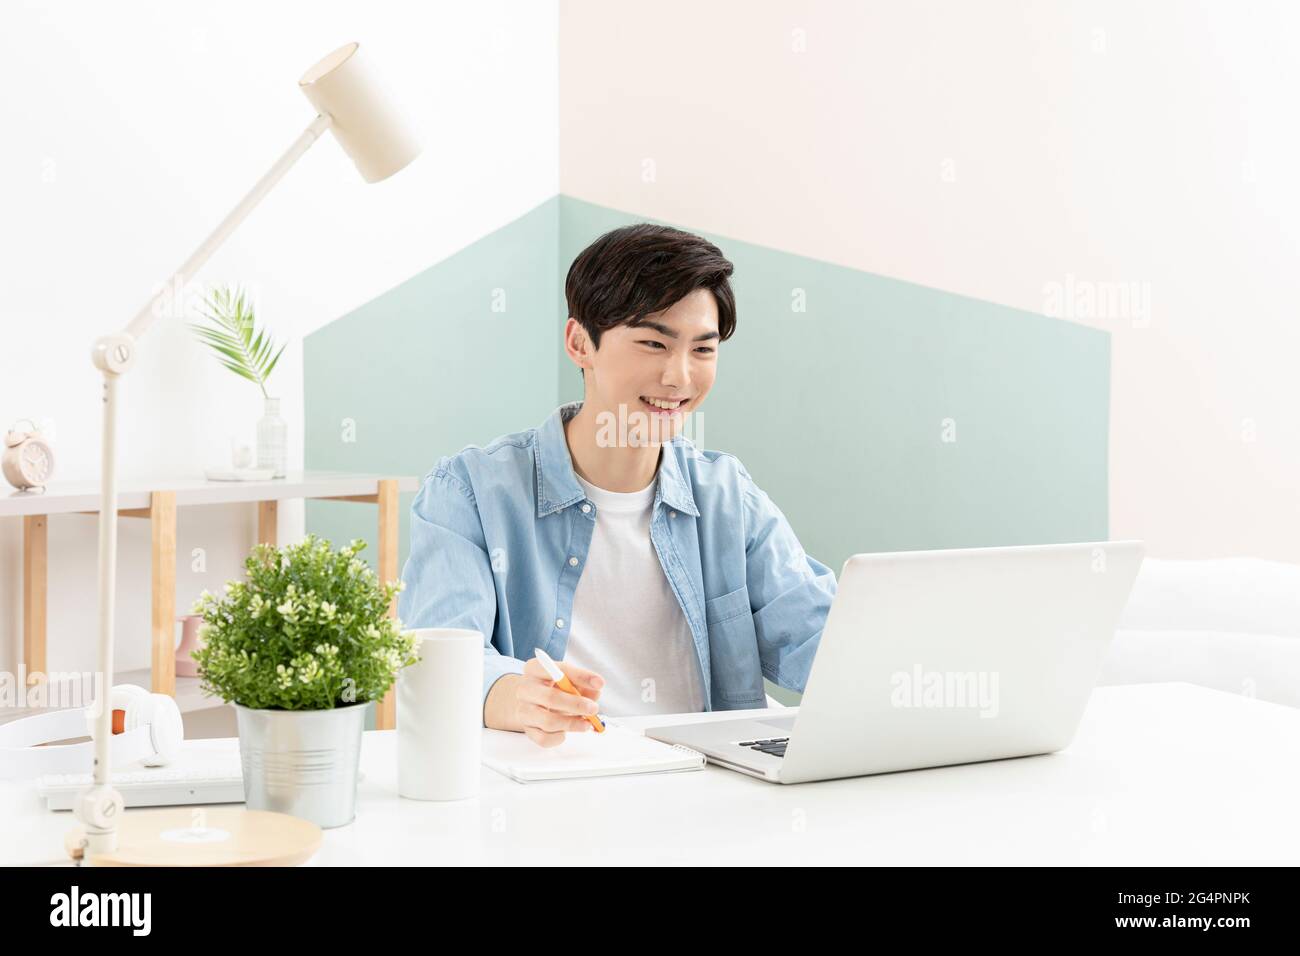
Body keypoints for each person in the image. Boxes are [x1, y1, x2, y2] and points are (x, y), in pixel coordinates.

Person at [398, 223, 837, 747]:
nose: (679, 378)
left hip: (707, 788)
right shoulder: (470, 493)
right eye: (654, 343)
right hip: (552, 783)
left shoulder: (725, 495)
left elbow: (818, 638)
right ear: (580, 342)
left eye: (703, 350)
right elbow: (445, 662)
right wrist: (521, 697)